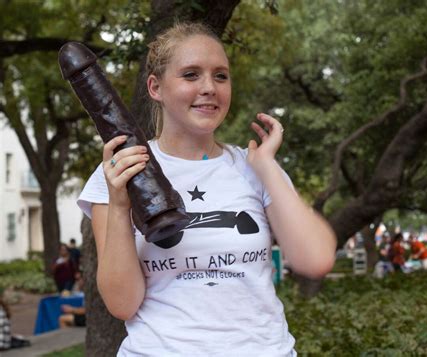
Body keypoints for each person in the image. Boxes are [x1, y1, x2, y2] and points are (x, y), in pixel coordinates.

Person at [77, 22, 336, 356]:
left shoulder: (255, 166)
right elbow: (122, 304)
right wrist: (117, 206)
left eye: (220, 76)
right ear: (155, 87)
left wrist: (267, 168)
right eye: (190, 75)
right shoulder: (119, 172)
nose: (209, 87)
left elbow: (315, 260)